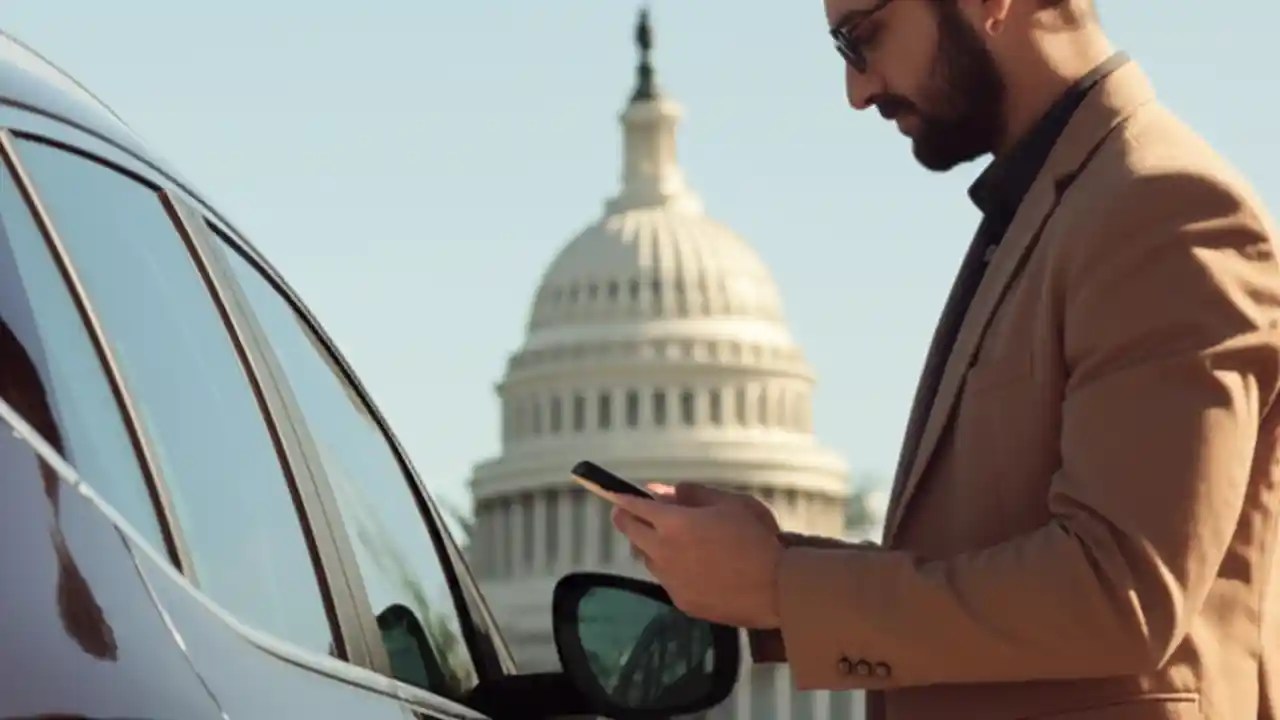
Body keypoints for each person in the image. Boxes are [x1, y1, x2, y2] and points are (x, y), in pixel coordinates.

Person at [609, 1, 1280, 718]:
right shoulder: (1054, 211)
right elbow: (1003, 558)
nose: (857, 91)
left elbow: (1121, 593)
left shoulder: (1163, 208)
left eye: (862, 37)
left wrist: (784, 585)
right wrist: (768, 571)